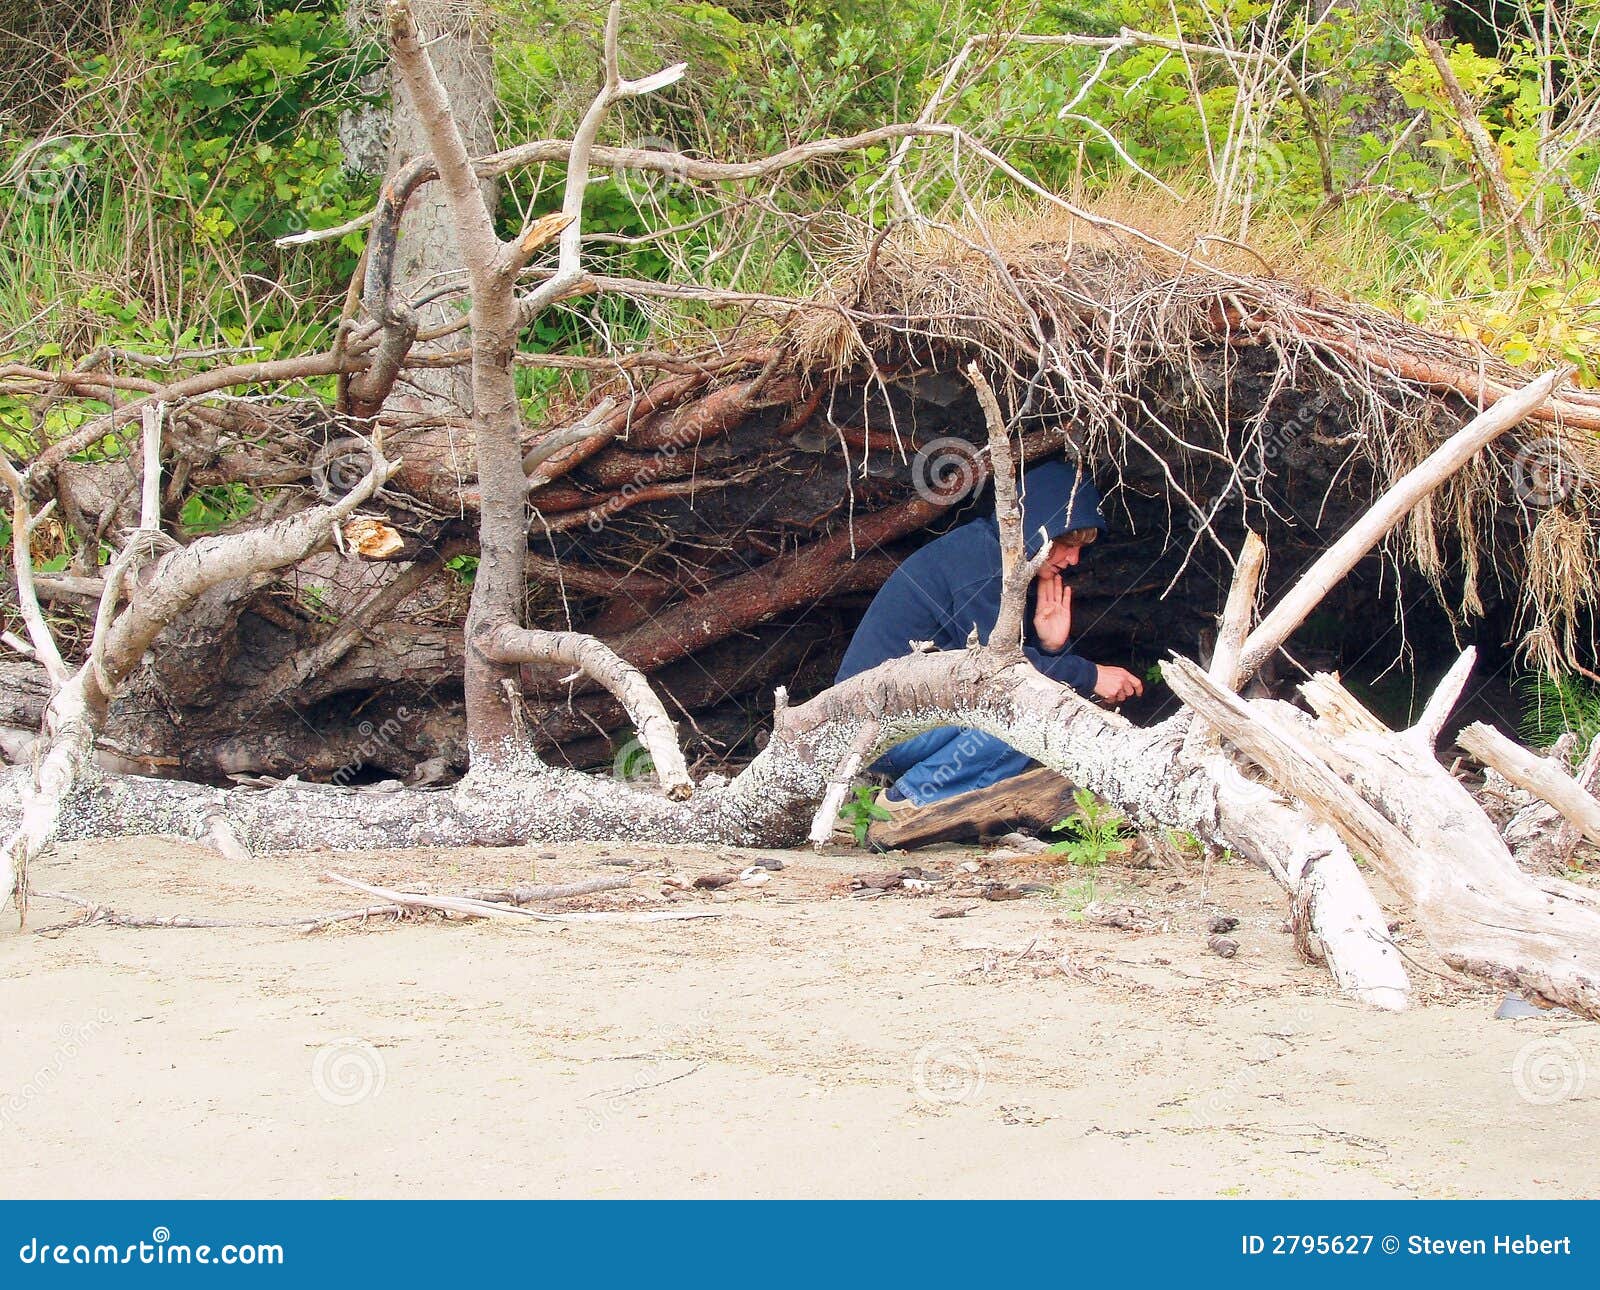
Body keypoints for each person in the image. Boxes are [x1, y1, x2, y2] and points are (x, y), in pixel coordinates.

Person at [834, 458, 1144, 815]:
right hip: (873, 732)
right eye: (1066, 541)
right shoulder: (979, 569)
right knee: (1028, 717)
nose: (1073, 558)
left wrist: (1051, 645)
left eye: (1080, 547)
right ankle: (911, 803)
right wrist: (1091, 675)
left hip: (901, 725)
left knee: (1031, 710)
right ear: (1038, 525)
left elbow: (1005, 664)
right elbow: (1001, 674)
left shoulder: (992, 555)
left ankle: (932, 796)